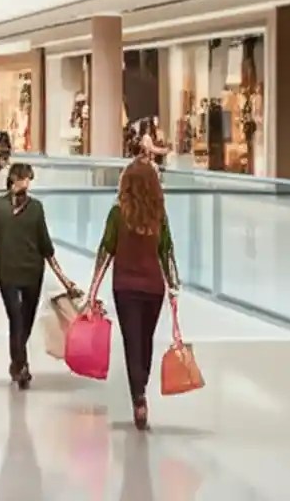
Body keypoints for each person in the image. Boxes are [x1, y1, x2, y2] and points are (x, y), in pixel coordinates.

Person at [91, 158, 180, 430]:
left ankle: (138, 396)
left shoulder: (118, 214)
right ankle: (141, 388)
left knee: (132, 342)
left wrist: (92, 288)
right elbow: (167, 252)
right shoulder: (158, 216)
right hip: (154, 287)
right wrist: (174, 288)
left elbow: (106, 250)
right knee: (146, 340)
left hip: (125, 287)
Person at [0, 163, 79, 389]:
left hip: (33, 272)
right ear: (13, 179)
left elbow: (46, 246)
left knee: (26, 320)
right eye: (24, 179)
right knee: (16, 318)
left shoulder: (36, 209)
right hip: (8, 273)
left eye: (29, 179)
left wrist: (64, 279)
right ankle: (21, 366)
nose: (27, 183)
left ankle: (17, 362)